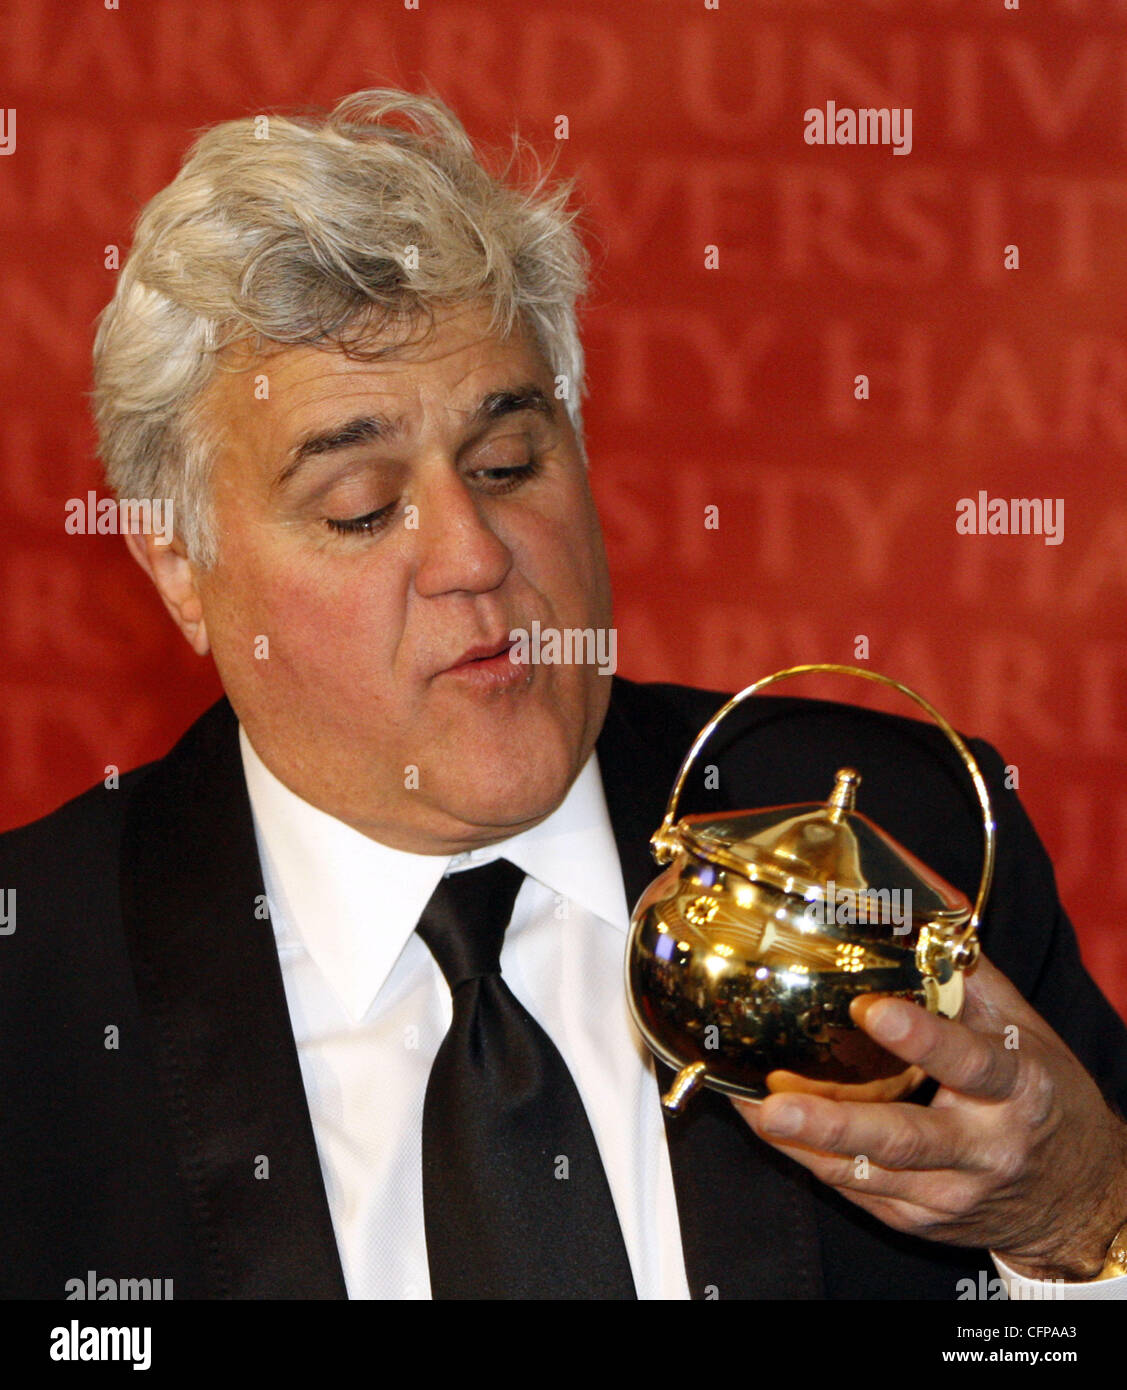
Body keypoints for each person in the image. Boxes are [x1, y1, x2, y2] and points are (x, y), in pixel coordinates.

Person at [1, 88, 1125, 1301]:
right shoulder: (38, 989)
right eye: (361, 506)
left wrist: (1081, 1218)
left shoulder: (900, 844)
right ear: (181, 565)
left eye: (506, 464)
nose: (474, 553)